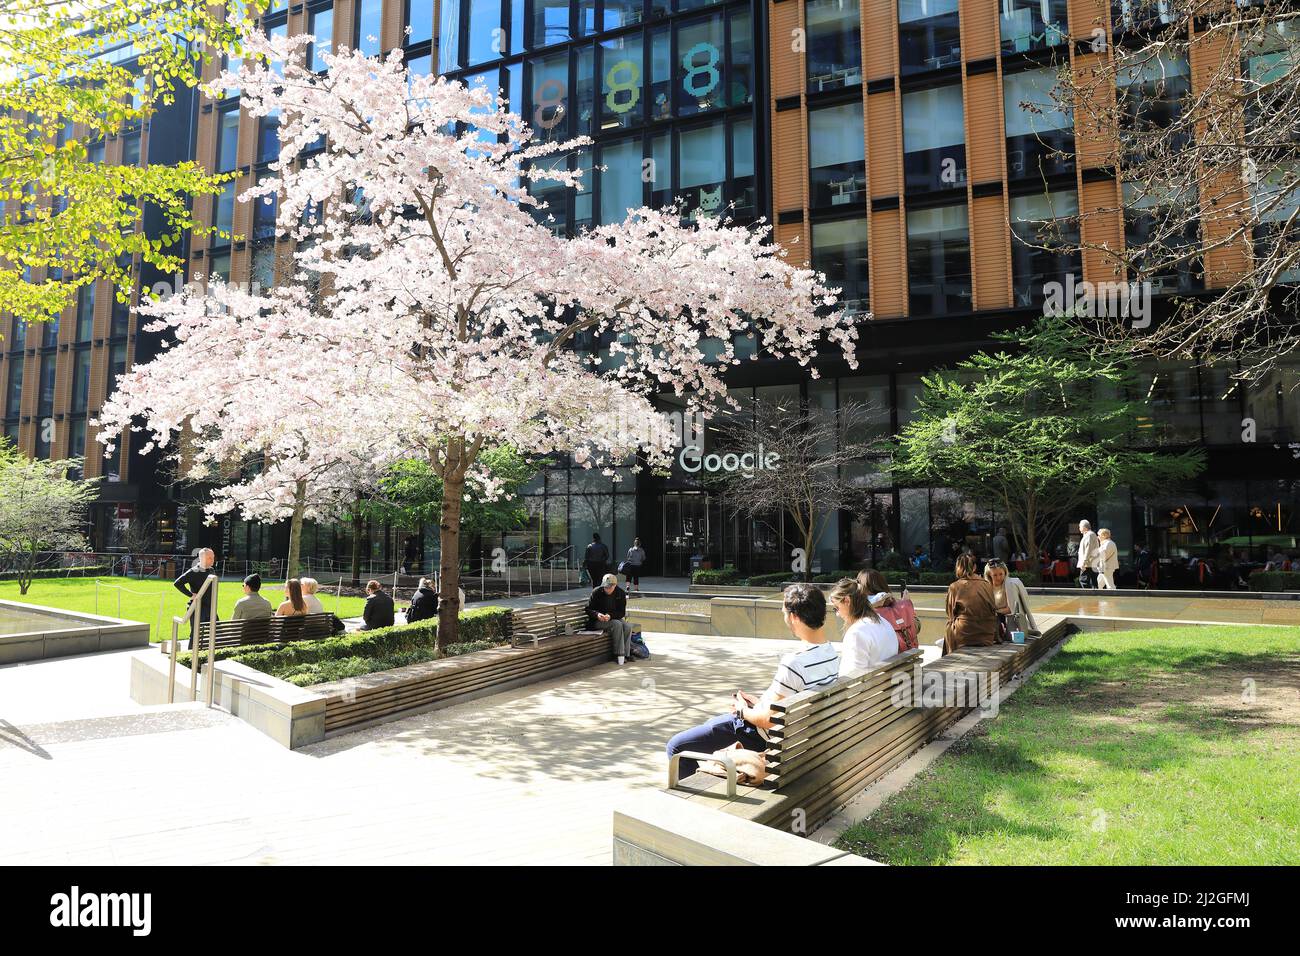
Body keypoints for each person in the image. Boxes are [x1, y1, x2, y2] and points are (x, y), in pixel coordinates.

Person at [666, 584, 839, 779]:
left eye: (784, 612)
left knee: (677, 746)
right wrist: (759, 703)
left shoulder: (794, 663)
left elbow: (768, 720)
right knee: (711, 726)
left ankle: (693, 801)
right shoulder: (830, 653)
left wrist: (742, 709)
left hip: (759, 735)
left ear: (794, 617)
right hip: (799, 736)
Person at [829, 577, 898, 677]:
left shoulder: (857, 633)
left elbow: (851, 678)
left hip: (871, 690)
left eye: (837, 608)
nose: (837, 614)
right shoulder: (884, 622)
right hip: (884, 686)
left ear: (847, 601)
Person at [944, 553, 1000, 653]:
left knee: (949, 626)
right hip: (987, 633)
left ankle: (949, 658)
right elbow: (993, 608)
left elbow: (950, 614)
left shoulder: (954, 586)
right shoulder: (987, 584)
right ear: (974, 567)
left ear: (957, 568)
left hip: (965, 634)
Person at [859, 568, 921, 652]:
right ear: (882, 584)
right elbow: (916, 628)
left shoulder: (864, 610)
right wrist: (906, 606)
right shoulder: (898, 605)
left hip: (885, 659)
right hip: (908, 656)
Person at [982, 559, 1039, 636]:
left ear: (1005, 573)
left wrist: (995, 612)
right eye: (995, 575)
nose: (998, 578)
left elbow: (1011, 609)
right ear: (989, 575)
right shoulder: (986, 586)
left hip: (1008, 621)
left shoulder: (1010, 585)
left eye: (1001, 574)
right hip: (993, 619)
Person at [587, 573, 634, 664]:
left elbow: (621, 612)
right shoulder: (596, 592)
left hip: (612, 618)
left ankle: (627, 654)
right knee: (617, 624)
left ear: (615, 585)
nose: (607, 589)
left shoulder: (620, 593)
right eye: (605, 587)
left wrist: (610, 616)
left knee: (627, 626)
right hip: (597, 621)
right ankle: (618, 654)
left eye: (610, 587)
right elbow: (588, 609)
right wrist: (597, 615)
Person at [173, 547, 218, 639]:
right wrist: (191, 595)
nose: (213, 560)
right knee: (195, 635)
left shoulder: (211, 570)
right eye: (210, 558)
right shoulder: (193, 571)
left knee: (217, 633)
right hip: (197, 608)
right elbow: (177, 583)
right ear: (202, 558)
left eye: (213, 557)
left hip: (210, 607)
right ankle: (191, 652)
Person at [1076, 520, 1100, 588]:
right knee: (1093, 581)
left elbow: (1088, 549)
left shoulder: (1089, 535)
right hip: (1092, 562)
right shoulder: (1090, 534)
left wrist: (1084, 562)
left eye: (1080, 527)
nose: (1079, 528)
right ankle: (1094, 596)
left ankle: (1088, 596)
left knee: (1083, 580)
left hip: (1088, 563)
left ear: (1084, 527)